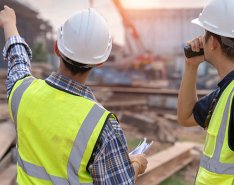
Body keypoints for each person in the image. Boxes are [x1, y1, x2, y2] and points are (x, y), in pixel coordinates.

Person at [0, 5, 148, 185]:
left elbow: (18, 62)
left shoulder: (22, 93)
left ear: (57, 48)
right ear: (101, 62)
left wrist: (9, 24)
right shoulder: (104, 126)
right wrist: (136, 166)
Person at [177, 0, 234, 184]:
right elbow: (185, 117)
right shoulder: (225, 92)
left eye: (205, 32)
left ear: (213, 43)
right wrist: (191, 65)